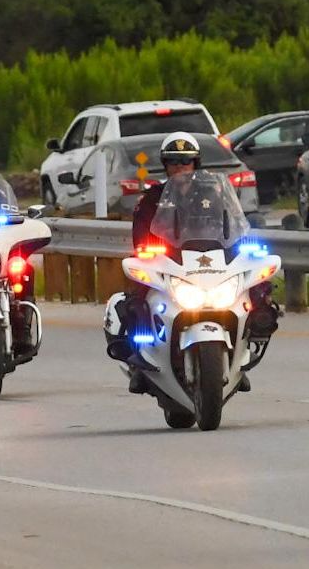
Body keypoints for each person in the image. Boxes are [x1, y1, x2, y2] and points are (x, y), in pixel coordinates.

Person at [111, 132, 280, 391]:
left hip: (211, 259)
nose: (180, 168)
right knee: (139, 301)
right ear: (166, 165)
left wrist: (239, 245)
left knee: (256, 292)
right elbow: (140, 236)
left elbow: (232, 223)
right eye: (174, 162)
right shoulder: (152, 199)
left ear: (195, 163)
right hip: (169, 261)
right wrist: (147, 251)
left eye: (186, 162)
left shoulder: (213, 194)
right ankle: (140, 363)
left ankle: (241, 354)